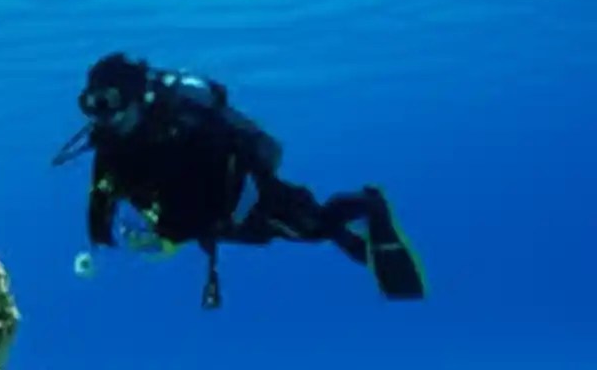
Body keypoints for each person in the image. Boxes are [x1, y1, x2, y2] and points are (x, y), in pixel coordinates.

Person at [51, 51, 426, 309]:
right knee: (311, 233)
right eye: (92, 104)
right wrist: (100, 244)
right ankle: (349, 238)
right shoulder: (111, 145)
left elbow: (209, 192)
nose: (102, 115)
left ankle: (368, 205)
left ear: (135, 96)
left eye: (109, 102)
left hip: (250, 200)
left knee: (313, 226)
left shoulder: (185, 128)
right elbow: (100, 197)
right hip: (218, 225)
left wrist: (167, 238)